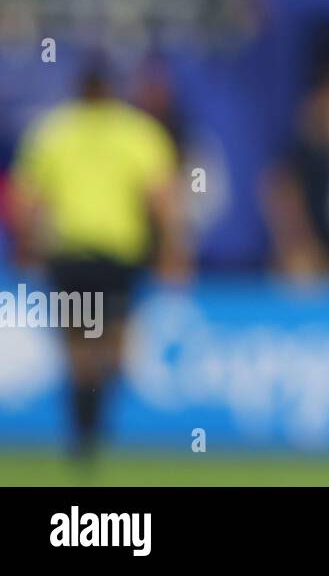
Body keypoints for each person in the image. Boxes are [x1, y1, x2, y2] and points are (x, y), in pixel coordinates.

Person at [9, 62, 188, 462]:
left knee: (79, 347)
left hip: (70, 256)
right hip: (116, 258)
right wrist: (173, 254)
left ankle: (84, 428)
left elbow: (25, 200)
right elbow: (163, 202)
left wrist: (25, 248)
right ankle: (90, 426)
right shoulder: (137, 132)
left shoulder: (52, 130)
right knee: (112, 348)